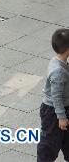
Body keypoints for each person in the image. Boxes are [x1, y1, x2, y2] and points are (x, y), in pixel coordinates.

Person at [37, 28, 69, 162]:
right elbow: (56, 97)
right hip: (53, 112)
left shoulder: (60, 61)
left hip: (63, 108)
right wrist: (61, 117)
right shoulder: (58, 71)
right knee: (50, 143)